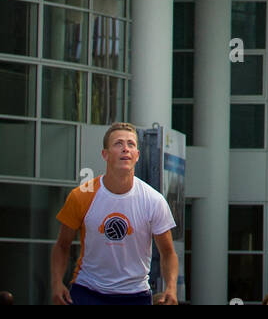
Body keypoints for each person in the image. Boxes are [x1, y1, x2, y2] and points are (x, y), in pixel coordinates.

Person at [50, 122, 179, 305]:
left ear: (137, 156)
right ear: (105, 154)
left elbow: (168, 253)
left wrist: (171, 288)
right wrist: (56, 284)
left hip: (135, 295)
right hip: (88, 291)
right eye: (118, 143)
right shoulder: (81, 196)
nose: (125, 149)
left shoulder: (153, 200)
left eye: (131, 144)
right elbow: (62, 246)